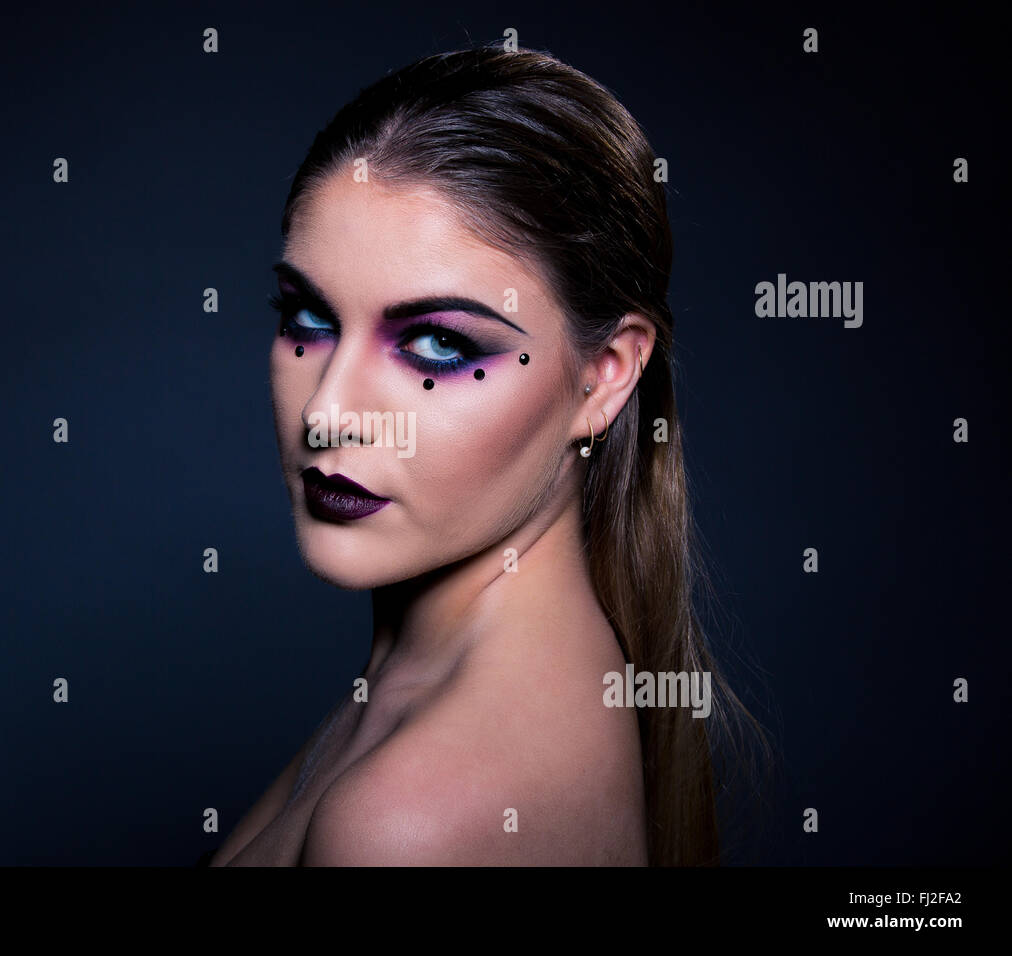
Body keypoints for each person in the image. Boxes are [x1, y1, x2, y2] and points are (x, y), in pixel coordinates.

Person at [210, 45, 759, 866]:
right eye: (310, 321)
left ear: (603, 378)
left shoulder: (410, 823)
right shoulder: (429, 687)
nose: (328, 413)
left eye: (434, 344)